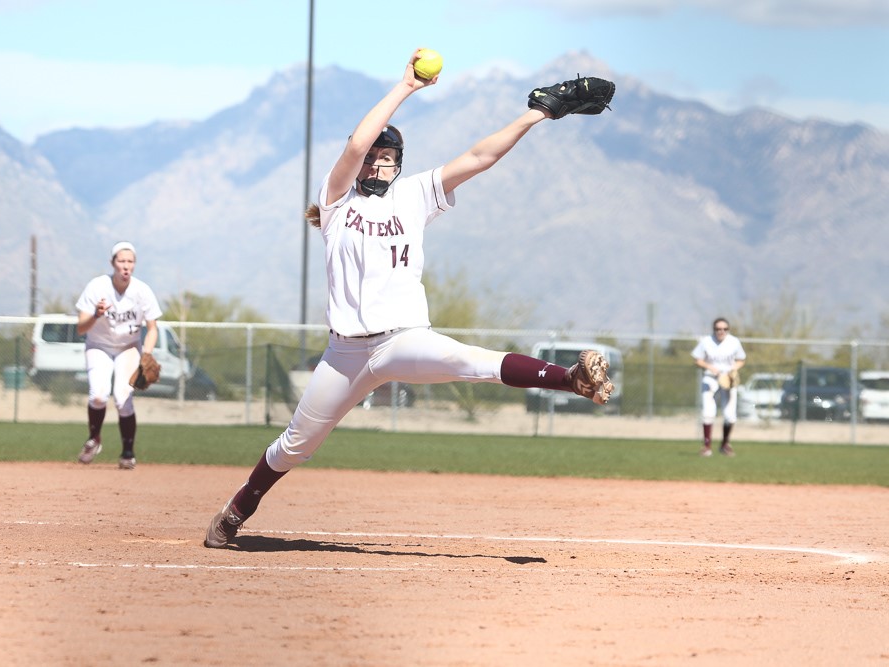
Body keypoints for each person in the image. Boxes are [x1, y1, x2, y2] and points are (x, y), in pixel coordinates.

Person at [205, 49, 616, 549]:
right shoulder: (337, 202)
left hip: (402, 338)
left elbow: (480, 157)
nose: (381, 164)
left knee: (470, 361)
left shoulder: (415, 195)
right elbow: (358, 141)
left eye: (390, 159)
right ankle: (235, 511)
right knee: (295, 446)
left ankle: (570, 379)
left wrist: (540, 112)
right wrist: (407, 87)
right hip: (344, 354)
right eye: (375, 158)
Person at [75, 241, 163, 470]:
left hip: (128, 347)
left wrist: (147, 354)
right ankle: (94, 439)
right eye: (121, 261)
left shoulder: (142, 291)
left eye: (130, 261)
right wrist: (96, 314)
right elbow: (81, 328)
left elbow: (152, 328)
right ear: (112, 263)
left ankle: (127, 451)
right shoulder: (97, 287)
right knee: (98, 396)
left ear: (134, 265)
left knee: (123, 398)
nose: (126, 266)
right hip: (98, 345)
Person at [691, 317, 746, 457]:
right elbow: (697, 360)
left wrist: (733, 369)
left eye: (725, 329)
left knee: (730, 415)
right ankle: (706, 446)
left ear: (728, 330)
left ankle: (725, 445)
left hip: (728, 380)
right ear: (714, 329)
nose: (721, 331)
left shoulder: (734, 342)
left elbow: (741, 360)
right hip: (710, 378)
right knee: (708, 413)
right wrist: (711, 368)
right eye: (718, 329)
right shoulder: (706, 342)